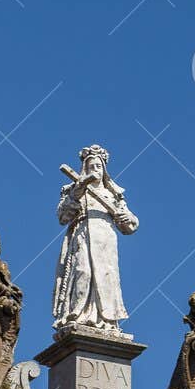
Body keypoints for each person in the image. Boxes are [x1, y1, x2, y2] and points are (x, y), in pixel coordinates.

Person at [51, 144, 138, 337]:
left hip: (105, 239)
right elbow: (63, 216)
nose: (94, 171)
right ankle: (79, 315)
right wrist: (78, 191)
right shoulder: (73, 190)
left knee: (106, 276)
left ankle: (105, 320)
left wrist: (127, 219)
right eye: (90, 167)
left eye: (98, 167)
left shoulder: (113, 194)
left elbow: (131, 225)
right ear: (84, 169)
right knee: (83, 272)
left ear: (104, 170)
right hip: (82, 235)